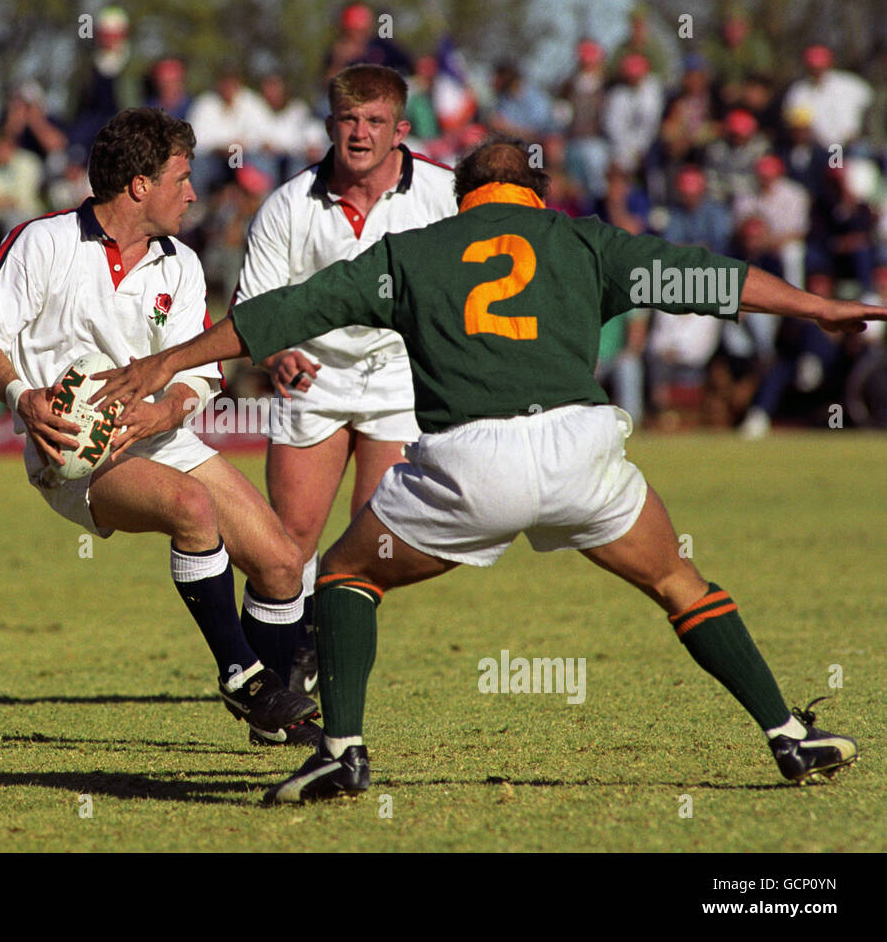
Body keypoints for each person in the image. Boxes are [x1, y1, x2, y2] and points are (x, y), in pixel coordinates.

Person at [93, 141, 878, 802]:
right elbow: (714, 282)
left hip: (471, 467)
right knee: (681, 583)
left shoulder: (415, 251)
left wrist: (166, 361)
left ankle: (342, 749)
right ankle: (784, 735)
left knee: (341, 577)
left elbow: (283, 314)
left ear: (461, 197)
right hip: (582, 451)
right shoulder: (585, 241)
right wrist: (819, 308)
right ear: (537, 194)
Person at [0, 107, 318, 744]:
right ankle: (242, 677)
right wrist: (23, 398)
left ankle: (272, 719)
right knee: (191, 507)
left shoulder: (181, 262)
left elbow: (199, 372)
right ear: (140, 186)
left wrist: (169, 407)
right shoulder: (42, 241)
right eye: (181, 178)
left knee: (283, 564)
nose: (194, 192)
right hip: (74, 451)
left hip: (162, 436)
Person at [230, 64, 457, 710]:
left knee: (370, 545)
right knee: (287, 544)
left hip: (398, 379)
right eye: (349, 120)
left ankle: (317, 658)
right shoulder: (287, 205)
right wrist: (277, 356)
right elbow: (257, 308)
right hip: (314, 381)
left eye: (375, 121)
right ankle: (268, 685)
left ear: (402, 129)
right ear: (330, 125)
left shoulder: (445, 194)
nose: (360, 133)